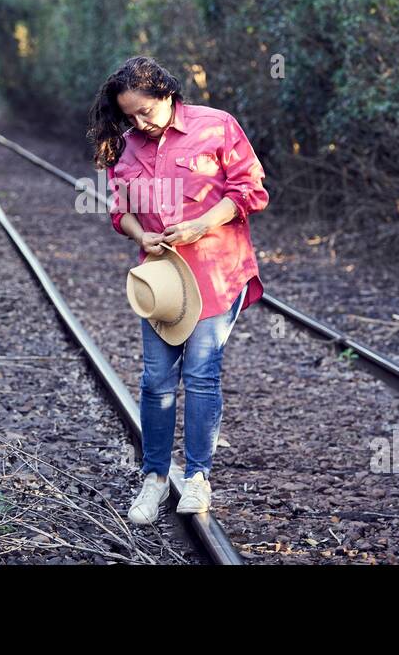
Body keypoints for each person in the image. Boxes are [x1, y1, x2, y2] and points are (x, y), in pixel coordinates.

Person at [86, 56, 269, 525]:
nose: (139, 122)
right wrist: (139, 234)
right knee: (156, 380)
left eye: (145, 110)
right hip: (162, 282)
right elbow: (118, 212)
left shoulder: (217, 126)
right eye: (130, 115)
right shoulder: (125, 146)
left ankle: (199, 477)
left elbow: (251, 191)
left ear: (166, 94)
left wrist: (203, 224)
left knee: (203, 374)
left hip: (215, 270)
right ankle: (154, 477)